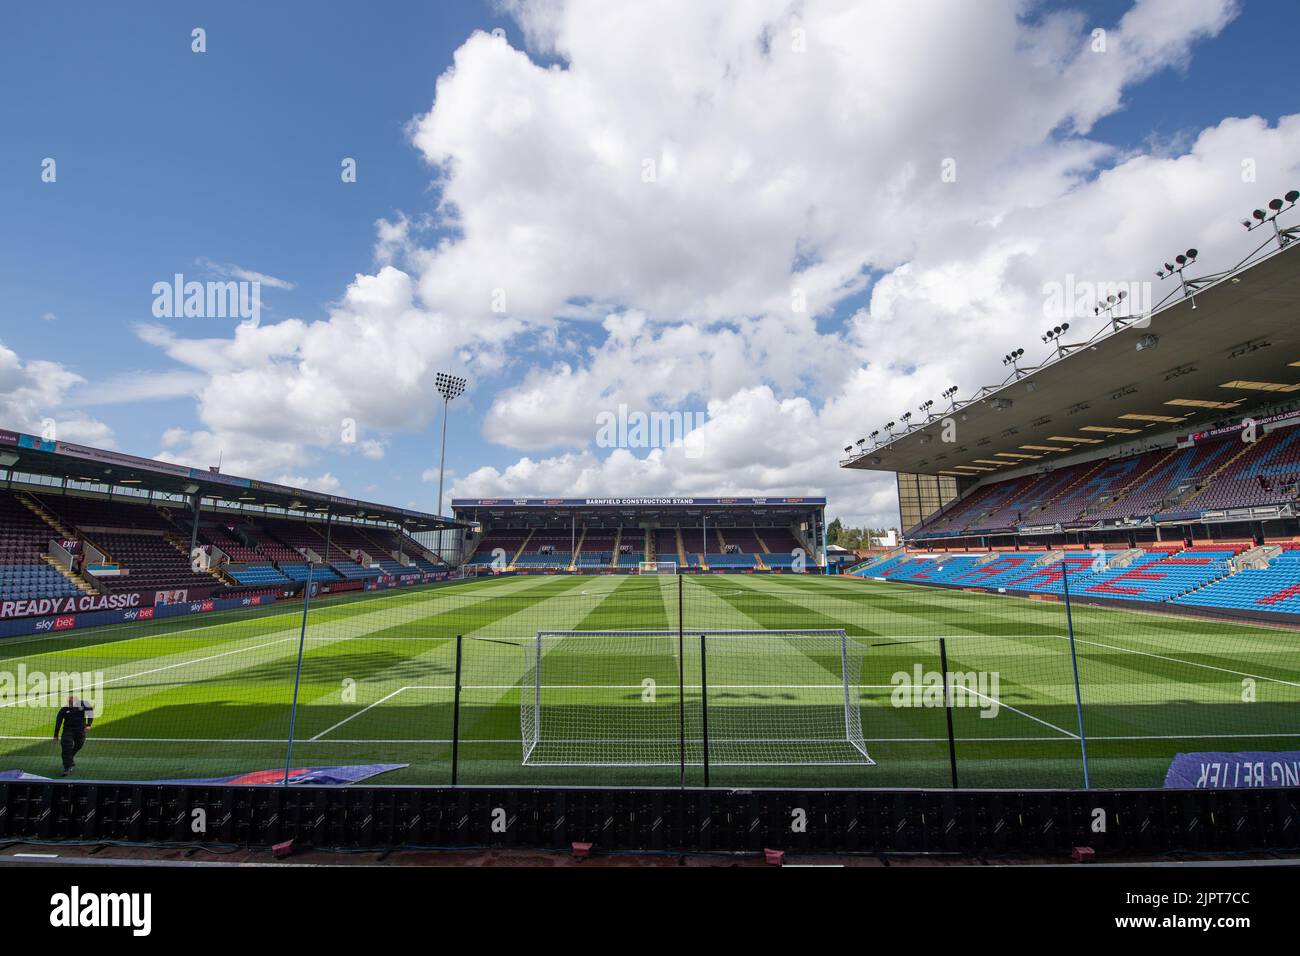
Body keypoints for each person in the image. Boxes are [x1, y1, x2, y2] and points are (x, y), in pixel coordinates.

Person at [53, 695, 95, 776]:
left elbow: (90, 711)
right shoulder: (64, 709)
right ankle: (67, 768)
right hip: (68, 731)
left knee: (79, 744)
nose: (70, 704)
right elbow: (58, 722)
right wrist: (56, 735)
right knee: (66, 748)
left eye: (72, 703)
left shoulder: (84, 704)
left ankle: (70, 757)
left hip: (80, 730)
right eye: (69, 703)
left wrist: (89, 724)